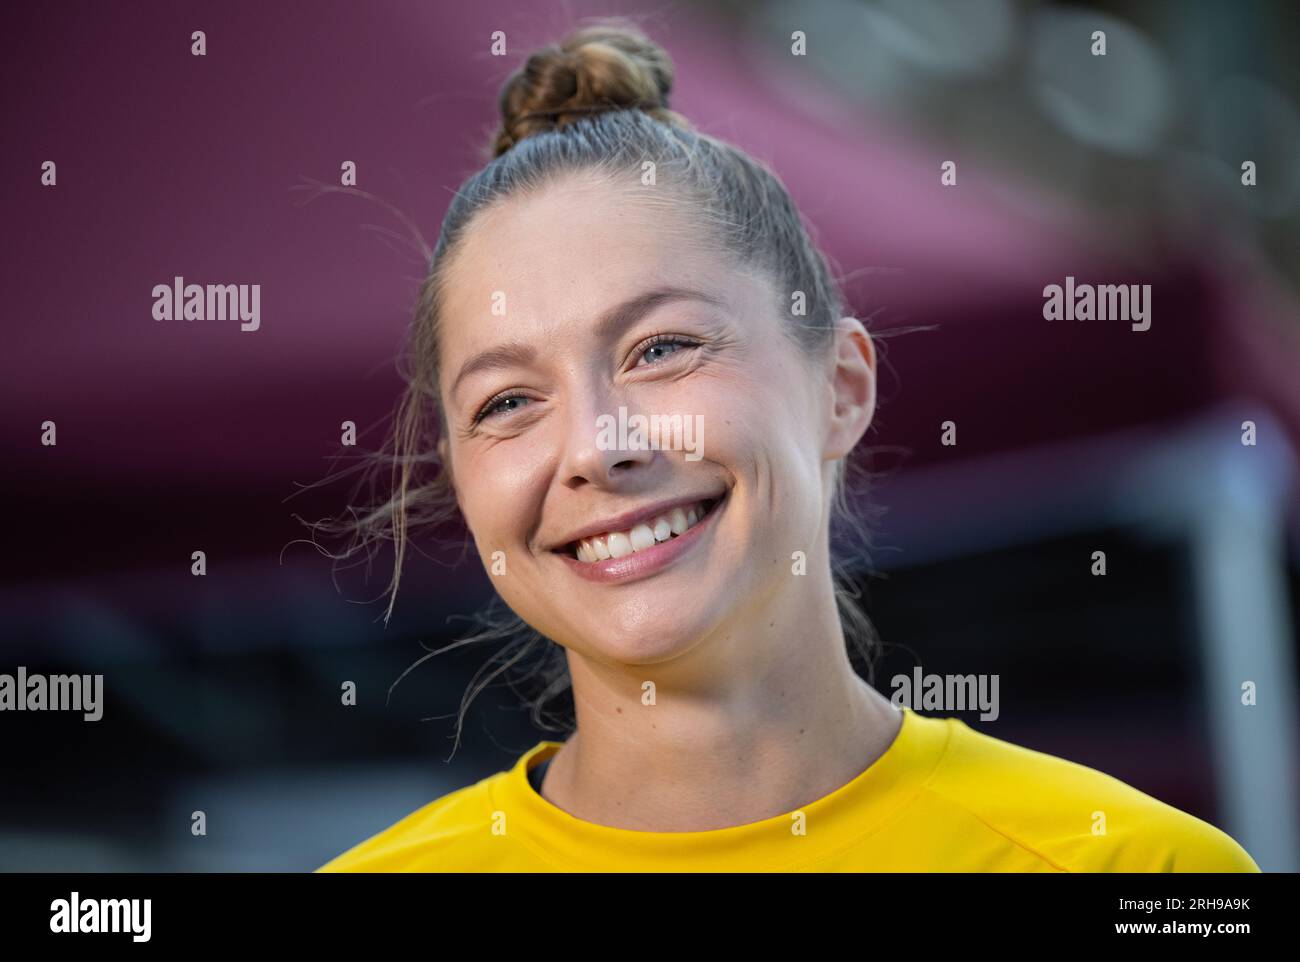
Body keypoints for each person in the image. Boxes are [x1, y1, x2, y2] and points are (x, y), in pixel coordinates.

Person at [317, 21, 1259, 872]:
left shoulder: (1142, 872)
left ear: (840, 388)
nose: (597, 448)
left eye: (663, 348)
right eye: (510, 401)